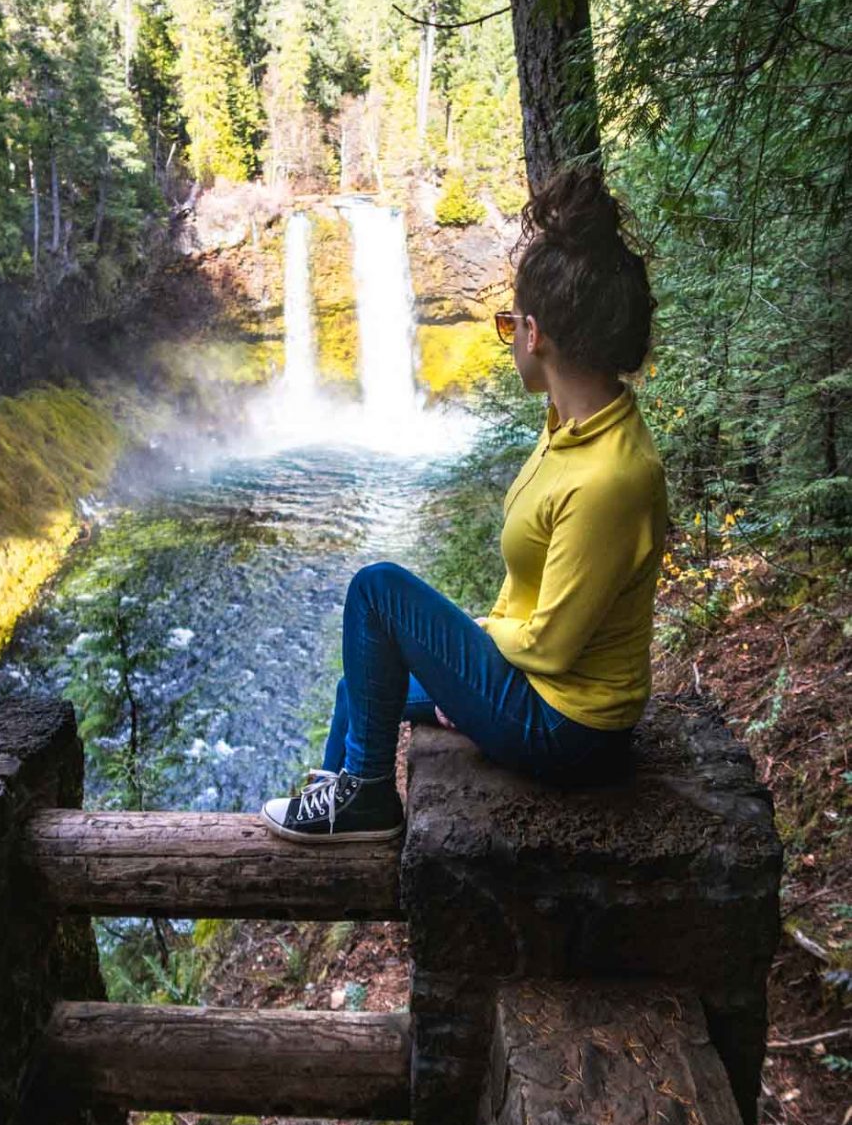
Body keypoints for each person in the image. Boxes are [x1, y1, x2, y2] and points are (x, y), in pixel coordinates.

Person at [260, 166, 669, 843]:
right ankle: (341, 796)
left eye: (510, 324)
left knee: (377, 591)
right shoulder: (573, 431)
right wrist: (470, 677)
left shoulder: (610, 477)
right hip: (539, 691)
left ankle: (365, 799)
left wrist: (476, 662)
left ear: (535, 335)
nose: (509, 339)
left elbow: (551, 646)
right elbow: (536, 608)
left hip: (568, 728)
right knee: (359, 686)